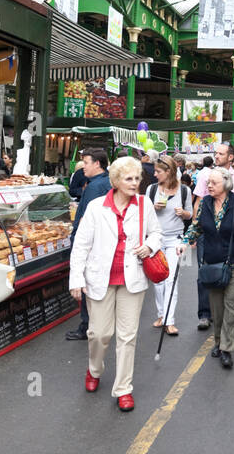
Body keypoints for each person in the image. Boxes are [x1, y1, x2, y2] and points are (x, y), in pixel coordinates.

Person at [69, 156, 162, 412]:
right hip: (100, 278)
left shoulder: (144, 205)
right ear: (116, 181)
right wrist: (76, 278)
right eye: (129, 179)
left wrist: (149, 245)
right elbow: (81, 246)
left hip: (132, 279)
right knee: (99, 333)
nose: (135, 183)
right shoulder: (97, 207)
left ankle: (124, 389)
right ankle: (94, 368)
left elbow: (156, 233)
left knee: (127, 336)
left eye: (137, 178)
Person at [181, 167, 234, 368]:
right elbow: (197, 226)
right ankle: (218, 340)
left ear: (225, 185)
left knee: (231, 305)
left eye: (213, 183)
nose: (208, 185)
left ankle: (227, 347)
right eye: (208, 182)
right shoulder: (206, 203)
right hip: (212, 263)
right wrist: (185, 241)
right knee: (216, 308)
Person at [191, 143, 234, 330]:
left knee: (226, 273)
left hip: (229, 235)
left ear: (230, 157)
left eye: (221, 153)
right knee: (204, 274)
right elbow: (199, 201)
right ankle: (204, 314)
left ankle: (222, 314)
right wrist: (194, 229)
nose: (216, 156)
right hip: (207, 231)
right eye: (215, 153)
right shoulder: (204, 175)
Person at [65, 148, 114, 341]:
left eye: (86, 162)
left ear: (97, 164)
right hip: (102, 241)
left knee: (87, 283)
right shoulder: (106, 182)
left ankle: (87, 325)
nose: (83, 166)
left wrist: (77, 239)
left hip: (91, 242)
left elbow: (87, 219)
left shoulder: (94, 187)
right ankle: (94, 323)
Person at [147, 155, 195, 336]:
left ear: (168, 172)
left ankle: (169, 320)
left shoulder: (184, 191)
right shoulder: (151, 190)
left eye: (158, 171)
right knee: (158, 280)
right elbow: (144, 213)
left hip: (175, 238)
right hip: (154, 239)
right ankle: (161, 314)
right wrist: (153, 207)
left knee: (171, 279)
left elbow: (190, 214)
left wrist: (183, 213)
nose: (155, 174)